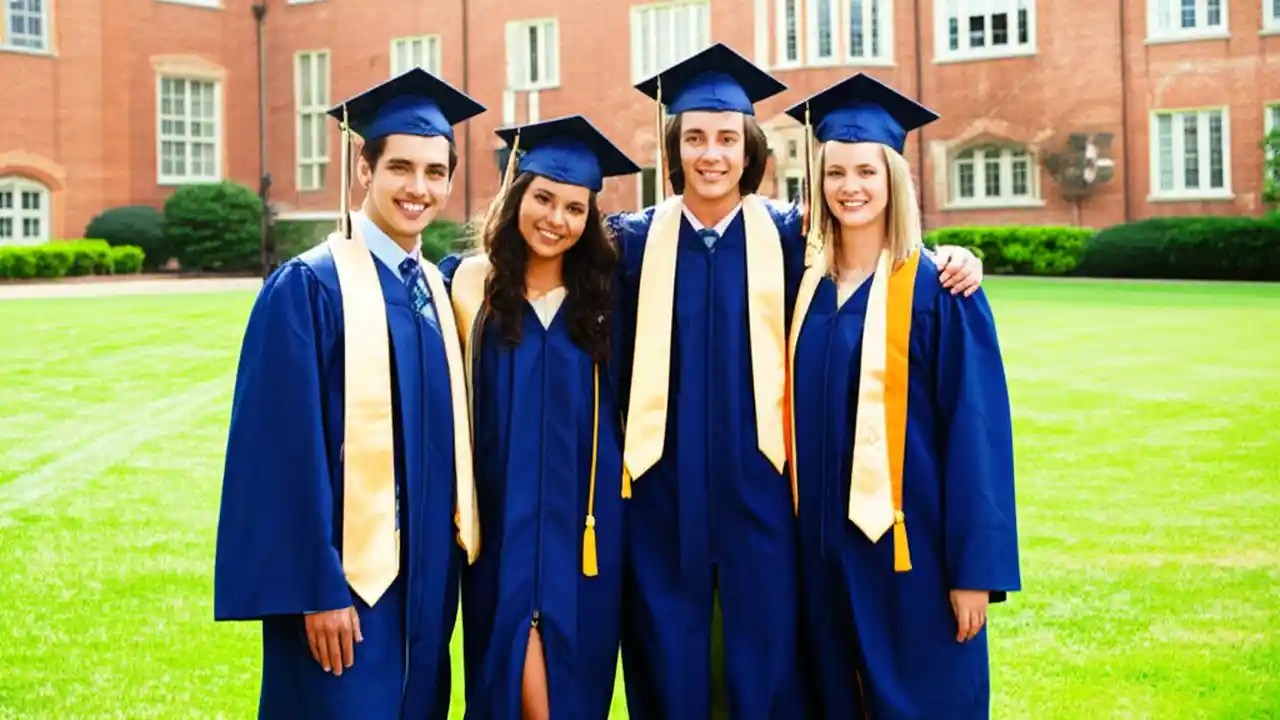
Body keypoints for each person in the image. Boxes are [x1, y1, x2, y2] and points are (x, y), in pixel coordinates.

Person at [607, 43, 986, 718]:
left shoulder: (788, 240)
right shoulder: (630, 244)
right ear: (674, 146)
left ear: (751, 146)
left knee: (776, 676)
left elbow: (877, 247)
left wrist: (953, 256)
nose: (712, 154)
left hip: (767, 508)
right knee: (668, 668)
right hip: (661, 504)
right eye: (694, 137)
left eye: (728, 137)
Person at [214, 68, 483, 719]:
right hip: (342, 597)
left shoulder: (437, 297)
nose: (419, 188)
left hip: (423, 593)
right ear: (365, 170)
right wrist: (316, 588)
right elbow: (280, 454)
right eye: (401, 168)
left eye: (435, 172)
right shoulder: (310, 288)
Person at [784, 74, 1021, 719]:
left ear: (893, 177)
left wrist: (975, 572)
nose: (850, 187)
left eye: (867, 170)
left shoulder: (941, 290)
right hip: (819, 551)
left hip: (912, 554)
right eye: (835, 172)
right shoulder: (801, 289)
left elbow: (977, 435)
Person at [441, 115, 638, 720]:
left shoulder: (610, 298)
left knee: (577, 682)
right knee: (514, 677)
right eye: (544, 199)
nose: (557, 220)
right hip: (502, 528)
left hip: (587, 532)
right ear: (515, 195)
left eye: (575, 208)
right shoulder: (469, 290)